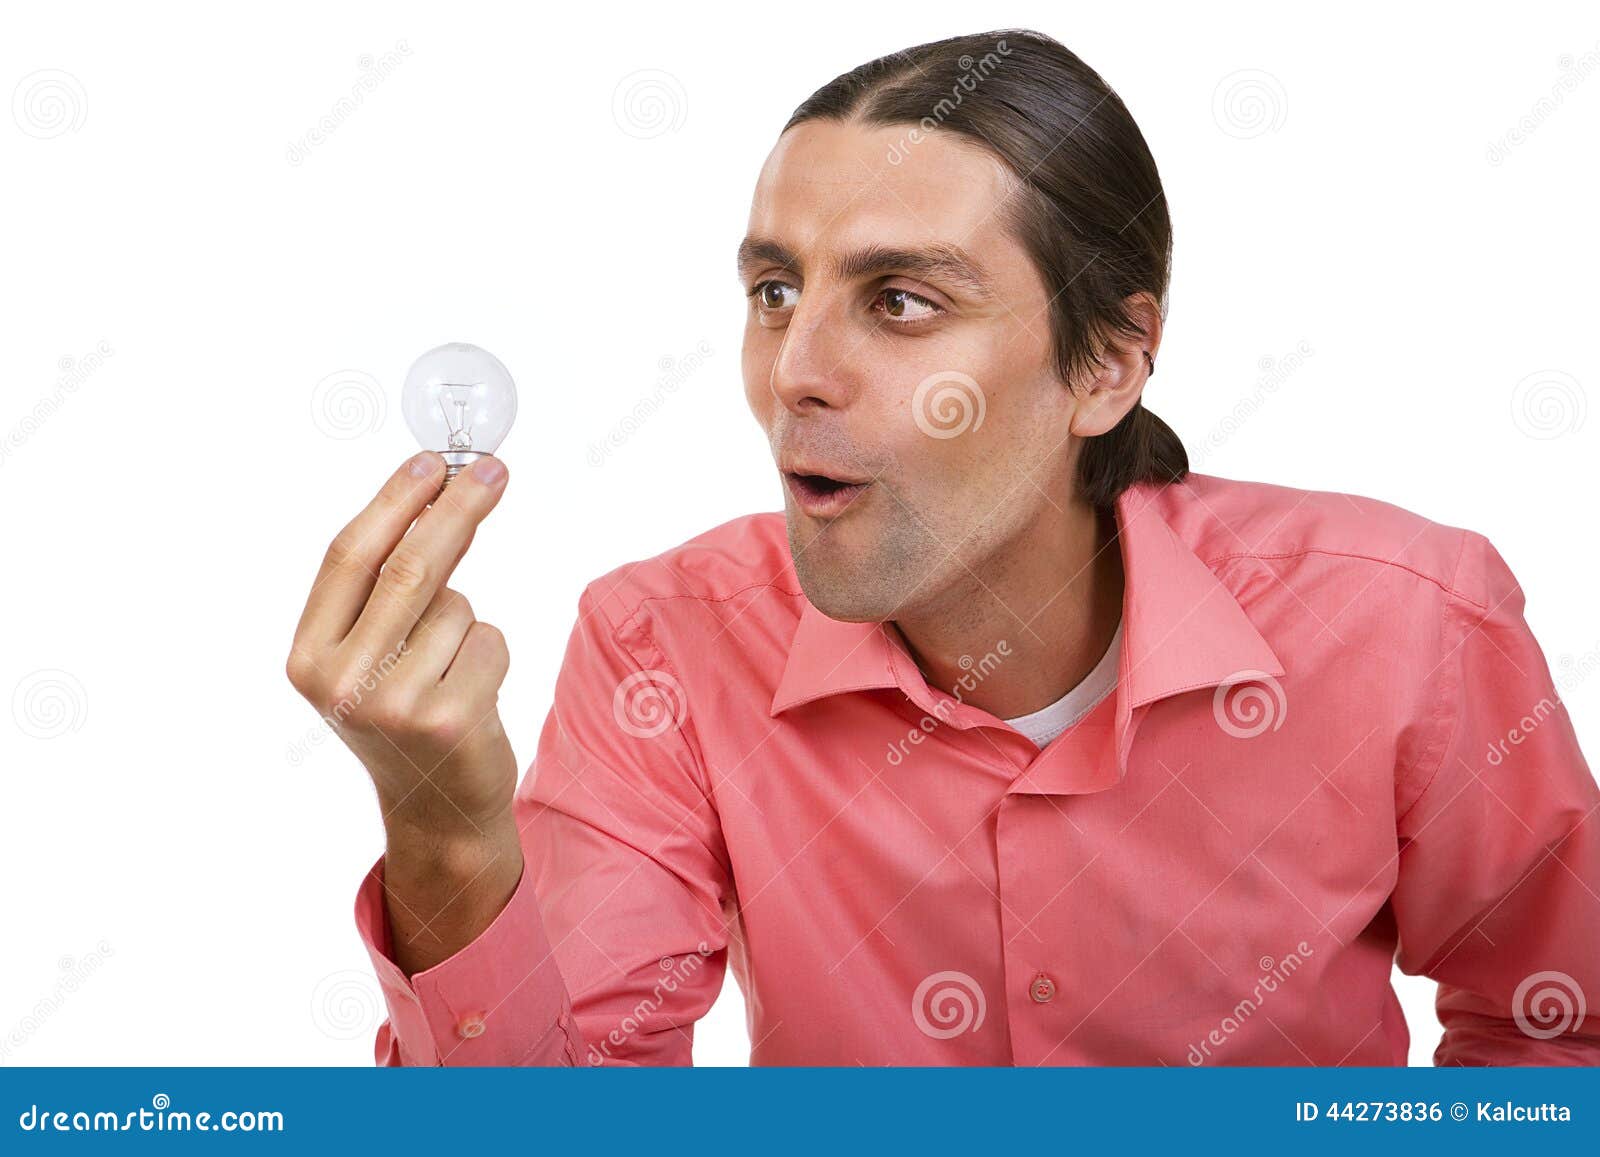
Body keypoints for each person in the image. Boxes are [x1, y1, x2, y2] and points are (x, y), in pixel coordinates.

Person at [286, 29, 1600, 1066]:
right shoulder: (662, 646)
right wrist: (447, 834)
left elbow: (1559, 1040)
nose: (794, 371)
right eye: (775, 291)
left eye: (901, 301)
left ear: (1107, 363)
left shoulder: (1410, 622)